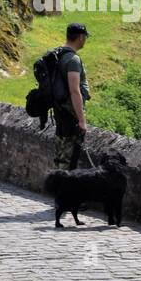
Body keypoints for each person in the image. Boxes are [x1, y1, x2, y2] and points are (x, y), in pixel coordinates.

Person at [52, 23, 91, 171]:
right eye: (85, 37)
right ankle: (63, 190)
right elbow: (75, 90)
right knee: (69, 158)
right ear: (80, 37)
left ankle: (55, 187)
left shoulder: (58, 54)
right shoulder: (73, 59)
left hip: (58, 109)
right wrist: (81, 120)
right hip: (70, 112)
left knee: (59, 154)